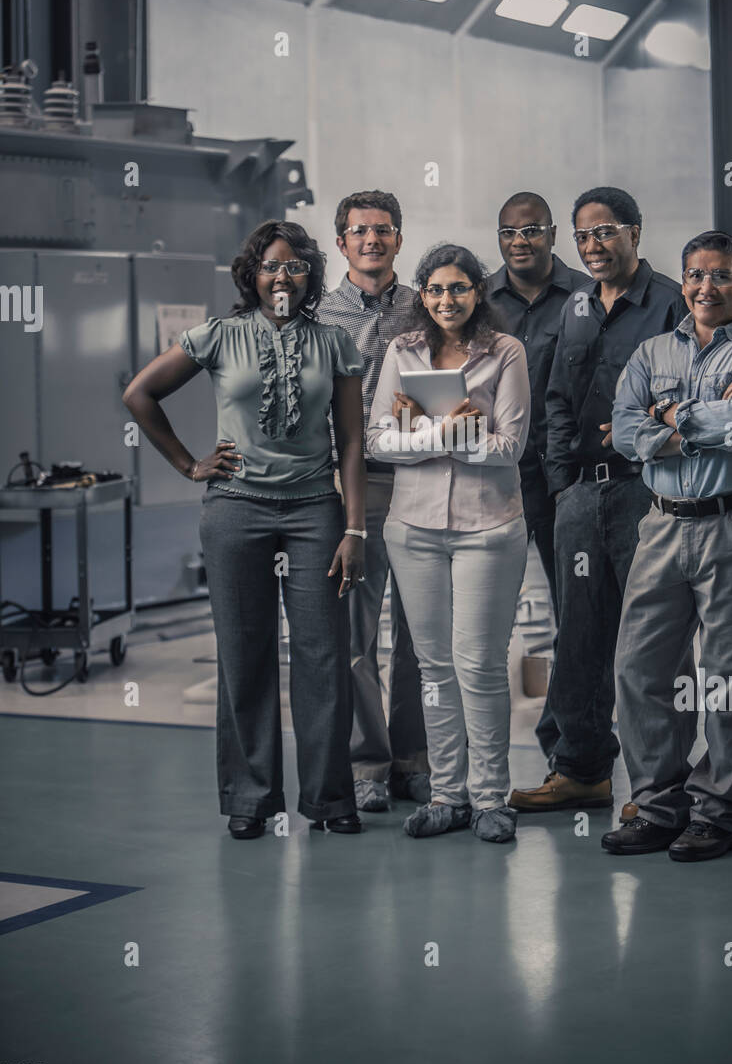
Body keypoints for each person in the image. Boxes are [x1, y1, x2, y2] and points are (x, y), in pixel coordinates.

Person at [122, 220, 367, 839]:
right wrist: (189, 465)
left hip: (315, 511)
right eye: (269, 266)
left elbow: (352, 442)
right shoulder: (217, 335)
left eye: (294, 266)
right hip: (234, 509)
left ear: (310, 275)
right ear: (251, 275)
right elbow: (139, 394)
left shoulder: (334, 341)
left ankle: (331, 798)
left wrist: (355, 527)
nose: (281, 276)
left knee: (323, 656)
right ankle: (251, 799)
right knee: (244, 653)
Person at [602, 232, 732, 860]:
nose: (705, 287)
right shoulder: (653, 350)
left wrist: (669, 416)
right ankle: (658, 805)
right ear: (682, 281)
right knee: (640, 669)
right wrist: (695, 417)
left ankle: (721, 813)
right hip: (661, 523)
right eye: (694, 275)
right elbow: (624, 433)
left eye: (721, 275)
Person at [509, 187, 684, 816]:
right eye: (583, 237)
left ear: (635, 233)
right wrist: (563, 483)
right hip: (582, 492)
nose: (593, 246)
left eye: (605, 232)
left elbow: (689, 397)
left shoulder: (669, 303)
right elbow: (557, 396)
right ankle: (582, 770)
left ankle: (662, 785)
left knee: (650, 640)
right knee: (578, 636)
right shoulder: (577, 305)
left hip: (648, 492)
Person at [367, 245, 531, 844]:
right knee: (434, 669)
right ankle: (447, 795)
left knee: (479, 665)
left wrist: (420, 429)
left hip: (488, 528)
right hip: (412, 528)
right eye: (434, 290)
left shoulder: (505, 352)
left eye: (458, 289)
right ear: (421, 293)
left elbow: (509, 446)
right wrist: (453, 430)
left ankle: (491, 799)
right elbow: (377, 441)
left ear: (477, 293)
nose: (445, 301)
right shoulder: (402, 350)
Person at [317, 190, 428, 814]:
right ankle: (367, 766)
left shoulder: (427, 306)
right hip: (350, 489)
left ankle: (415, 761)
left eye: (383, 229)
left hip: (421, 482)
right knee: (355, 637)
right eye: (360, 231)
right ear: (341, 242)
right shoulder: (319, 314)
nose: (372, 240)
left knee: (419, 634)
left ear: (398, 238)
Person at [488, 191, 585, 617]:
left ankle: (573, 686)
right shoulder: (479, 301)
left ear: (553, 234)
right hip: (500, 476)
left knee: (576, 606)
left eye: (531, 230)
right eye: (509, 232)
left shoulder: (588, 296)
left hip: (572, 475)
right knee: (487, 607)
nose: (520, 241)